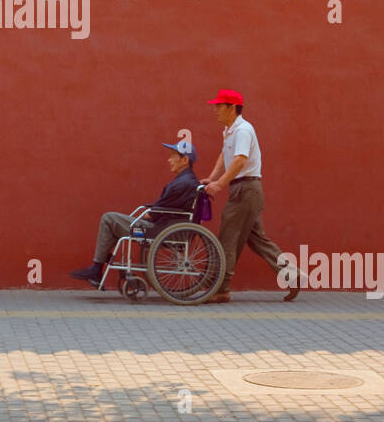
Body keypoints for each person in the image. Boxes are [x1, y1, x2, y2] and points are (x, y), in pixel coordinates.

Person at [201, 89, 300, 303]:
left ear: (232, 108)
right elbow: (224, 154)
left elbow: (239, 160)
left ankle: (221, 289)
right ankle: (292, 275)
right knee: (258, 240)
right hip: (246, 190)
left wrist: (219, 184)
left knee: (227, 239)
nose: (215, 110)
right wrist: (212, 176)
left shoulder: (243, 130)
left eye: (219, 106)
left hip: (245, 189)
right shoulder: (229, 131)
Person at [70, 140, 200, 285]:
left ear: (184, 160)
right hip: (164, 226)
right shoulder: (186, 181)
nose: (168, 160)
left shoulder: (182, 183)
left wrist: (150, 214)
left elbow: (160, 210)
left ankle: (97, 267)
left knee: (109, 219)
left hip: (159, 229)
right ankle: (98, 267)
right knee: (115, 223)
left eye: (172, 156)